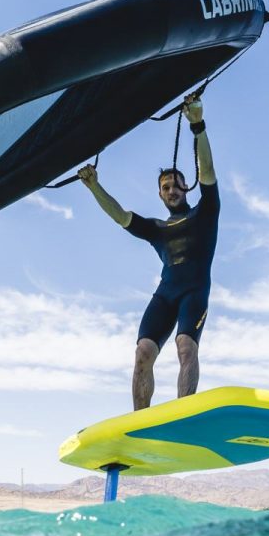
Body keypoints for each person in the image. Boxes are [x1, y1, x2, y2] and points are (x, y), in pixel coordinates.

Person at [78, 95, 218, 410]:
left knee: (185, 347)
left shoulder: (205, 213)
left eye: (177, 185)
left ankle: (183, 414)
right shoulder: (156, 228)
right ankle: (141, 422)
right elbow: (120, 216)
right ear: (160, 194)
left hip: (194, 292)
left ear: (187, 187)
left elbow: (207, 172)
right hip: (165, 294)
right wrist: (93, 186)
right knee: (143, 352)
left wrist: (198, 125)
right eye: (166, 187)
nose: (172, 190)